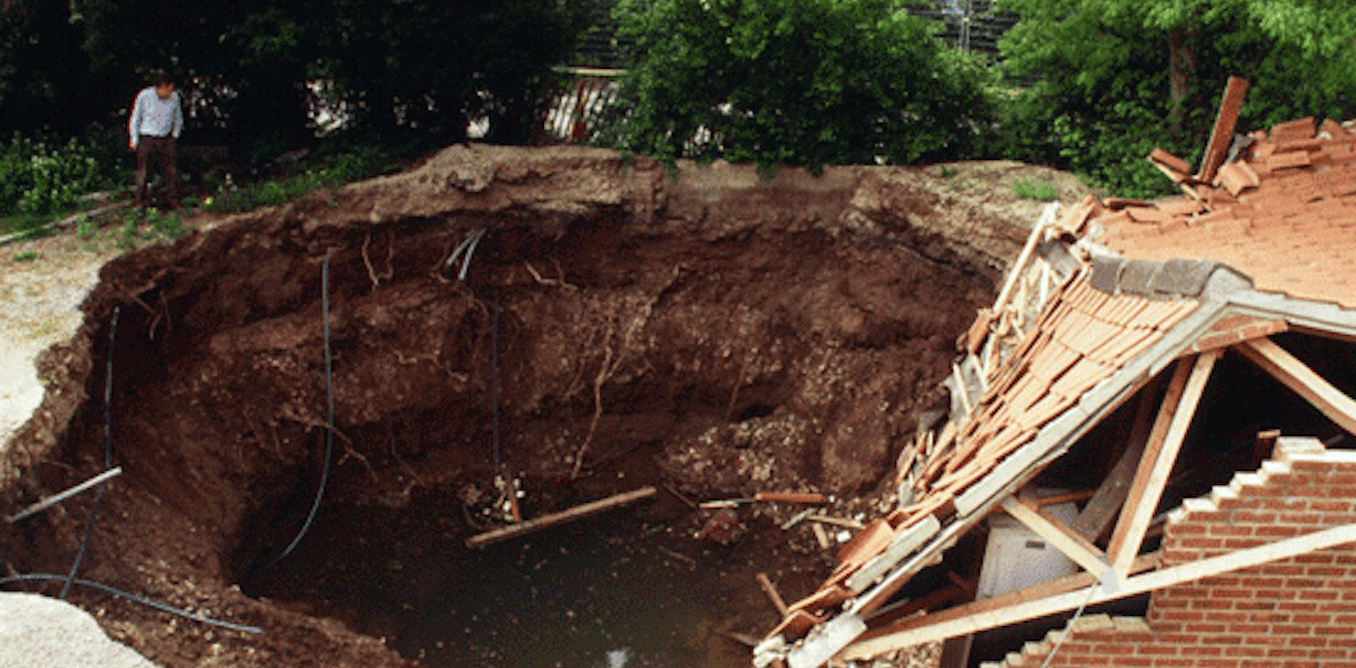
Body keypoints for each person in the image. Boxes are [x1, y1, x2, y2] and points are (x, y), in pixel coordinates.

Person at [128, 73, 184, 209]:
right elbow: (135, 118)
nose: (169, 92)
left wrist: (174, 135)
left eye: (171, 89)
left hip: (166, 138)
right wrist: (134, 139)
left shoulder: (174, 98)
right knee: (144, 171)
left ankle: (171, 201)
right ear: (159, 88)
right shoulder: (144, 96)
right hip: (147, 137)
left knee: (171, 171)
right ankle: (139, 202)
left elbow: (178, 118)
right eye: (167, 89)